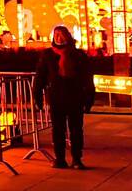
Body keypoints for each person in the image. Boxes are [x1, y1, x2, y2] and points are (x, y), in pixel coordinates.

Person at [33, 25, 93, 170]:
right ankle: (60, 159)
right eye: (56, 34)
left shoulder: (78, 55)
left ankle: (77, 159)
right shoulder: (47, 54)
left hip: (75, 96)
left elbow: (87, 77)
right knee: (58, 130)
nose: (59, 37)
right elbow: (40, 77)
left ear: (68, 36)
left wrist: (89, 98)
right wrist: (37, 97)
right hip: (56, 97)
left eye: (62, 34)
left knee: (76, 130)